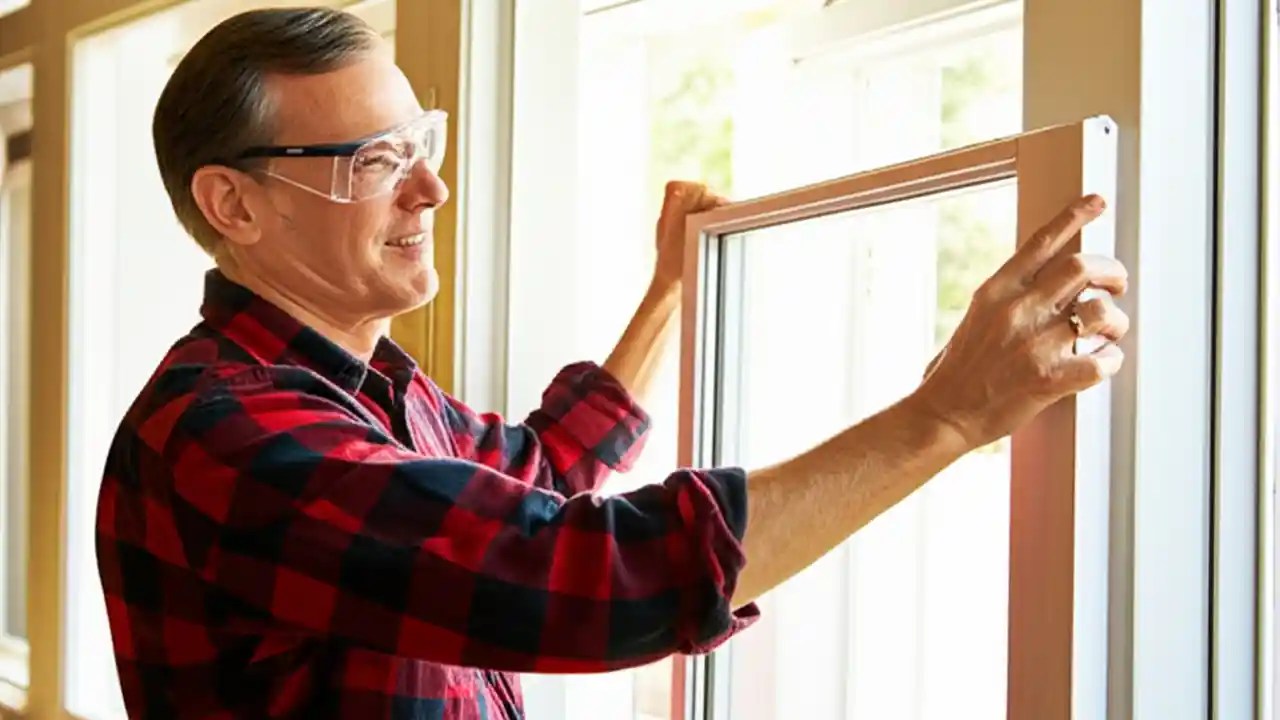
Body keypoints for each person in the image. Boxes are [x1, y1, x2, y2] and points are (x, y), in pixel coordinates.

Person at [95, 6, 1130, 720]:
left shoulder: (371, 392)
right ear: (234, 203)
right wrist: (943, 417)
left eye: (422, 144)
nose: (431, 192)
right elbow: (573, 574)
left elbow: (536, 473)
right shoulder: (223, 431)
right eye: (375, 161)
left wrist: (670, 291)